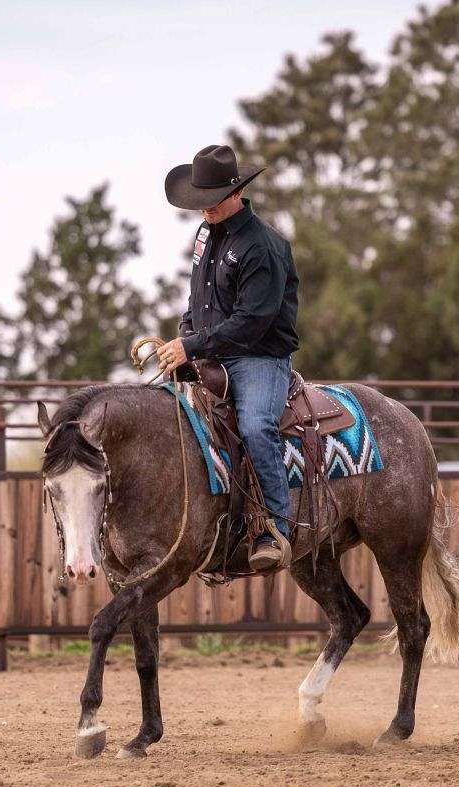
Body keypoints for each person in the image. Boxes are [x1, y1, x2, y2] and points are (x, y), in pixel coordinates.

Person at [156, 144, 300, 572]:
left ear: (236, 192)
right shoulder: (206, 233)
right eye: (198, 203)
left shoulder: (264, 247)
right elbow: (197, 300)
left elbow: (252, 322)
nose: (203, 211)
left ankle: (276, 525)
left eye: (210, 202)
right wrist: (184, 338)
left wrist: (194, 346)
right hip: (212, 351)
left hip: (259, 357)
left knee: (257, 427)